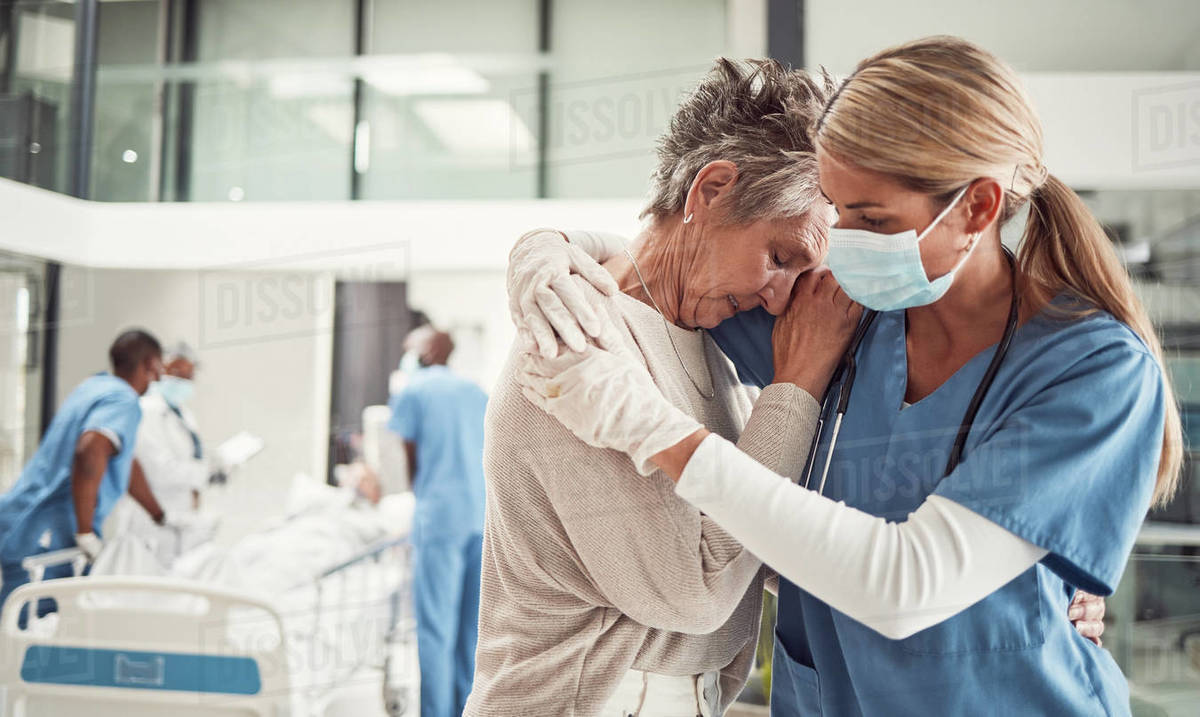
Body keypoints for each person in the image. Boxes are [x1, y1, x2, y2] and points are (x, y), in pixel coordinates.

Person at [514, 37, 1179, 715]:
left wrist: (654, 432)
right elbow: (666, 270)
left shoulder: (1091, 369)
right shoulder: (840, 314)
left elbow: (905, 584)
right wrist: (545, 253)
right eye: (837, 206)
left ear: (978, 208)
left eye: (872, 218)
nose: (842, 239)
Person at [0, 329, 170, 620]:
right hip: (49, 535)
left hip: (21, 519)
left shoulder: (93, 387)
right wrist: (85, 531)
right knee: (27, 635)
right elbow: (89, 451)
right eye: (159, 370)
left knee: (16, 625)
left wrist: (158, 515)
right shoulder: (123, 401)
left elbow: (126, 464)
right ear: (150, 364)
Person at [388, 325, 488, 717]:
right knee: (470, 633)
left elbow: (409, 461)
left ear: (426, 352)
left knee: (434, 630)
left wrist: (423, 493)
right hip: (481, 518)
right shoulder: (478, 392)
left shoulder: (413, 391)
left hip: (440, 519)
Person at [107, 341, 220, 567]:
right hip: (151, 521)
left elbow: (190, 458)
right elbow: (158, 469)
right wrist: (205, 474)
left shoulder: (183, 414)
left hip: (178, 518)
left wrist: (217, 467)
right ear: (160, 369)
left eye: (189, 376)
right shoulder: (146, 410)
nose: (183, 382)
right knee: (147, 584)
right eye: (177, 373)